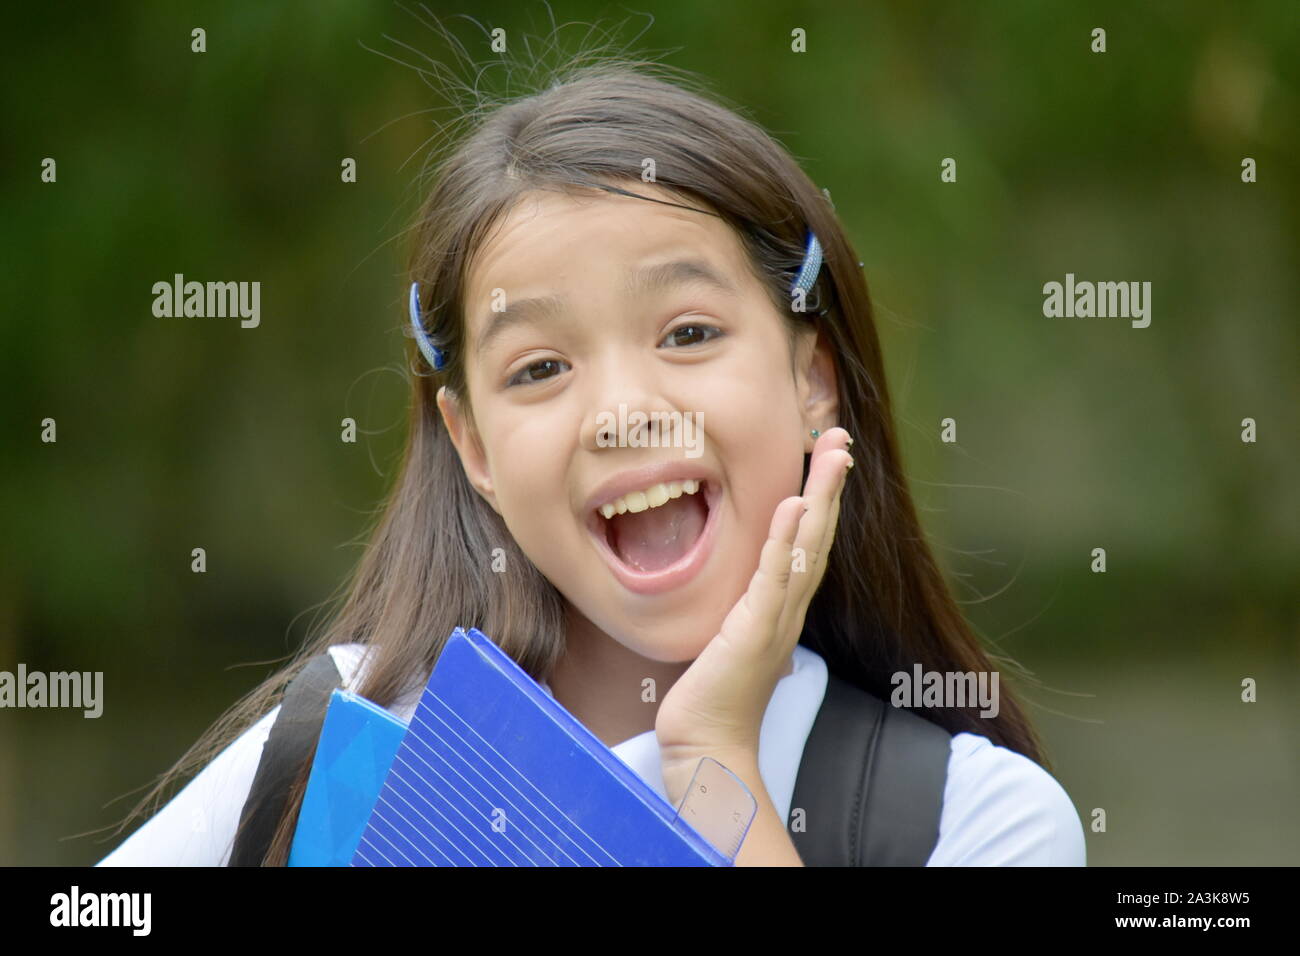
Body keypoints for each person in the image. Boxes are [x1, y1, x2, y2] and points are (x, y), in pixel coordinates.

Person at [97, 55, 1084, 867]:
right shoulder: (348, 736)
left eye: (689, 331)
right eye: (540, 366)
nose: (621, 414)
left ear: (812, 376)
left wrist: (715, 764)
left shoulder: (972, 818)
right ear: (473, 443)